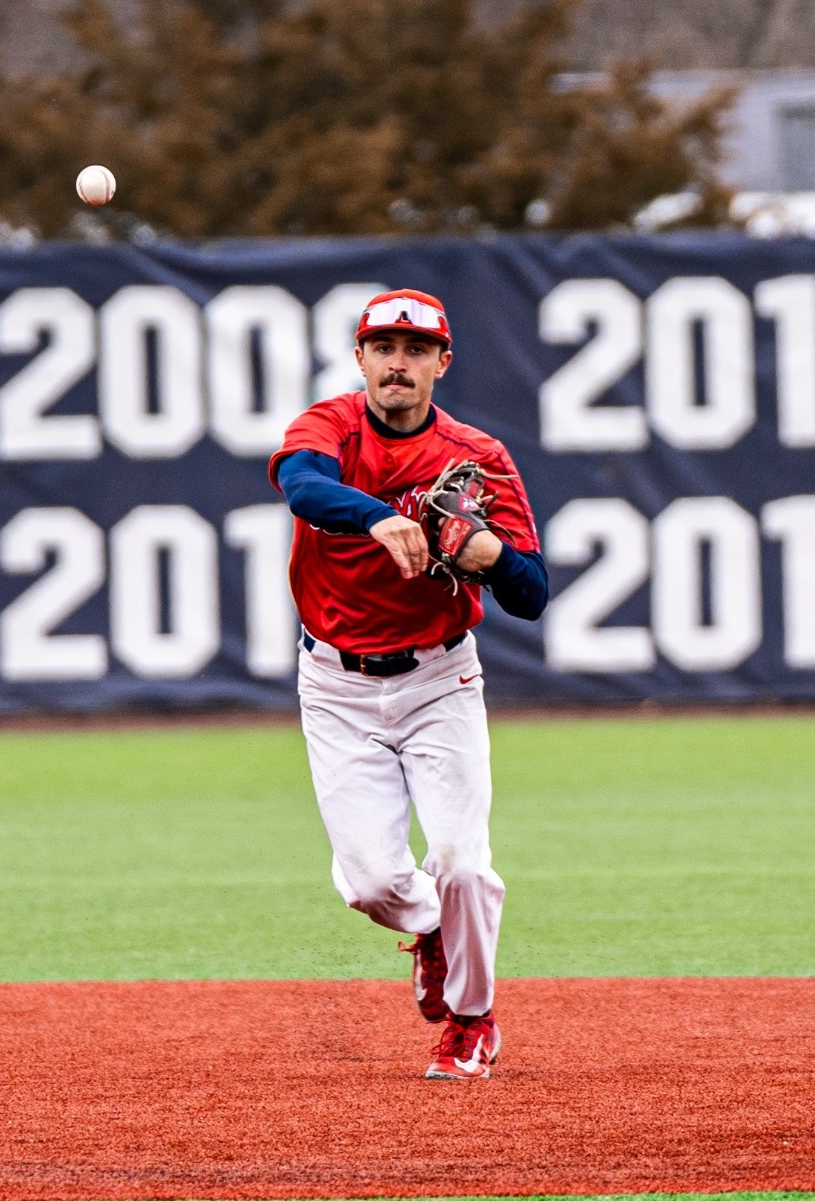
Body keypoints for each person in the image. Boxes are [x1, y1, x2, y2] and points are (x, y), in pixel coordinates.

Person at [268, 288, 547, 1081]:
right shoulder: (330, 426)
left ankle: (472, 1020)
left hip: (440, 677)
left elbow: (532, 592)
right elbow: (301, 485)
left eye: (416, 349)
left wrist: (484, 552)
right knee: (370, 882)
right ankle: (432, 930)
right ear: (360, 358)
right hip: (335, 684)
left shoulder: (477, 455)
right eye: (384, 347)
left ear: (441, 362)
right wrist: (375, 516)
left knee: (462, 860)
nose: (399, 362)